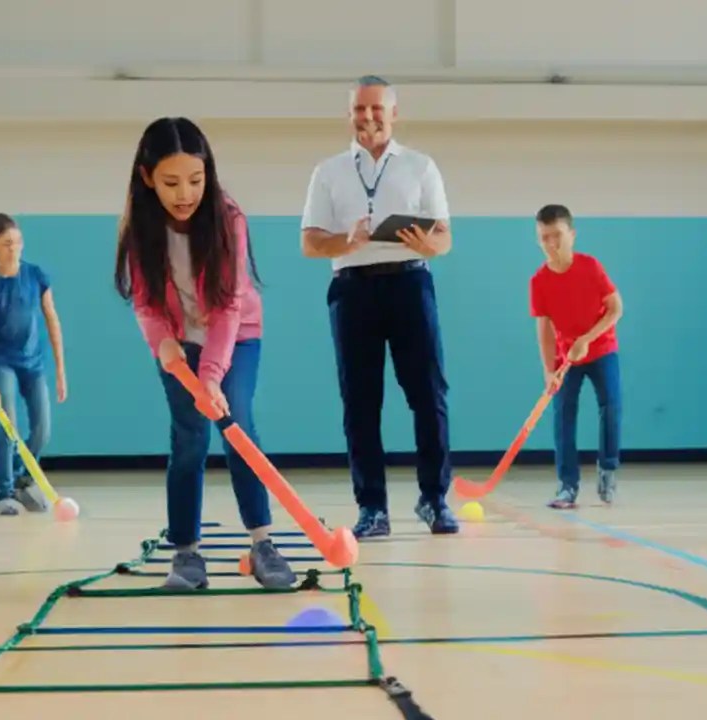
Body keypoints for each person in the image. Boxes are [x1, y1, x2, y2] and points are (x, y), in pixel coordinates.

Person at [114, 116, 296, 590]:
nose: (185, 193)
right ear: (146, 177)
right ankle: (187, 554)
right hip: (177, 346)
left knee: (238, 427)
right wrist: (164, 344)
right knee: (189, 439)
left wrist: (212, 374)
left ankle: (262, 543)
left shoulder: (228, 218)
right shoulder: (141, 228)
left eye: (196, 180)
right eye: (171, 182)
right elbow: (145, 302)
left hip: (236, 335)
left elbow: (229, 304)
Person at [300, 75, 458, 539]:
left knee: (429, 395)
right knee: (360, 402)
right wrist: (345, 240)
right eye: (360, 109)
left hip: (411, 283)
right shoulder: (327, 171)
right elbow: (310, 243)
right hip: (352, 290)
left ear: (393, 113)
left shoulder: (421, 166)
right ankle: (372, 508)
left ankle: (434, 499)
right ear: (349, 114)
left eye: (376, 109)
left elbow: (445, 238)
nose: (368, 117)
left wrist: (424, 244)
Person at [0, 213, 67, 515]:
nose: (15, 249)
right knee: (9, 427)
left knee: (42, 429)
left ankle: (23, 478)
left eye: (18, 242)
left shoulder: (36, 275)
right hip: (3, 363)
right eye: (7, 244)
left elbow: (52, 320)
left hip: (33, 363)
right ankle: (3, 492)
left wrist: (60, 370)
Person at [528, 204, 624, 510]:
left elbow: (616, 309)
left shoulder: (591, 267)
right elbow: (543, 329)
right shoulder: (539, 281)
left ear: (572, 234)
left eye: (557, 235)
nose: (551, 244)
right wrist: (548, 370)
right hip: (565, 357)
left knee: (611, 405)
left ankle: (607, 469)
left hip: (601, 348)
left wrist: (587, 339)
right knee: (563, 417)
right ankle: (567, 486)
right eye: (544, 237)